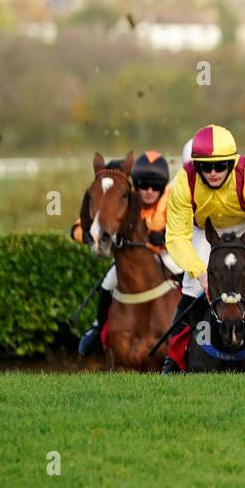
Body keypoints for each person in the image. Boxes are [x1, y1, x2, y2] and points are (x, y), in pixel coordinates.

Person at [160, 124, 245, 373]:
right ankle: (173, 360)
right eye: (205, 167)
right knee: (191, 287)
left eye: (220, 166)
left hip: (243, 228)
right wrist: (199, 273)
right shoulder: (183, 181)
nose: (212, 172)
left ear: (232, 163)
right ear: (194, 166)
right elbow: (177, 235)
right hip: (204, 230)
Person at [74, 151, 178, 356]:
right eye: (142, 185)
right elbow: (92, 224)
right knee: (108, 283)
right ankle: (97, 327)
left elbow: (186, 227)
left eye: (155, 187)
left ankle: (195, 329)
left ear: (163, 187)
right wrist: (83, 233)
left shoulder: (173, 199)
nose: (148, 191)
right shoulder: (126, 200)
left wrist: (166, 237)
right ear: (134, 185)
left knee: (186, 274)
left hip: (167, 254)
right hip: (132, 260)